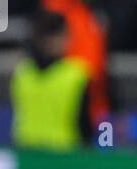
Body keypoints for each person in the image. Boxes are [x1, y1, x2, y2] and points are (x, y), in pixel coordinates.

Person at [11, 8, 91, 151]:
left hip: (26, 152)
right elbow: (84, 124)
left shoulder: (22, 73)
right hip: (63, 155)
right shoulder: (76, 74)